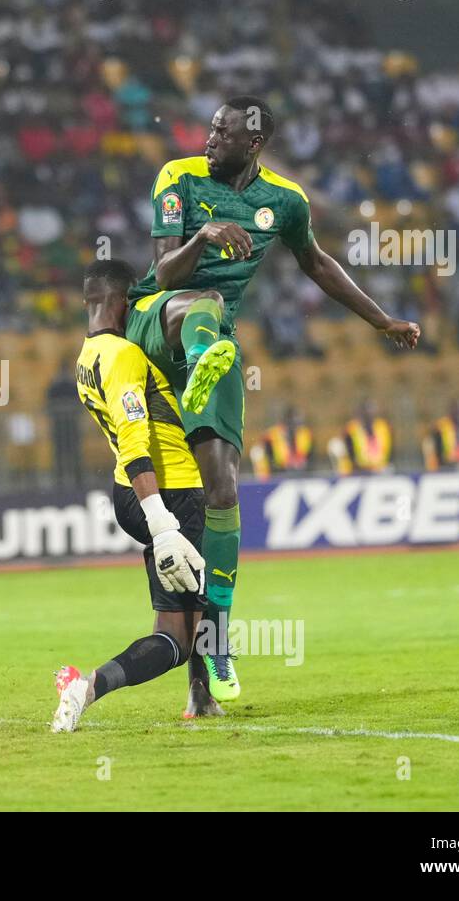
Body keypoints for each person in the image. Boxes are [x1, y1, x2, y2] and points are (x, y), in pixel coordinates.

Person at [124, 96, 421, 703]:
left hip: (216, 344)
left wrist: (381, 320)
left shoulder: (284, 201)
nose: (207, 139)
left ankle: (216, 644)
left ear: (252, 143)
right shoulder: (177, 178)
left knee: (221, 495)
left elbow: (317, 262)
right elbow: (166, 272)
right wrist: (205, 234)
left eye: (220, 132)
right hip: (159, 321)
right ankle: (208, 354)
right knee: (202, 305)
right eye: (208, 128)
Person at [52, 260, 210, 733]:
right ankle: (95, 685)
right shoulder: (123, 355)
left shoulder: (85, 358)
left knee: (191, 619)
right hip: (169, 492)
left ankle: (198, 696)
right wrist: (162, 524)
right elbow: (134, 435)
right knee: (185, 630)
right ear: (123, 302)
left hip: (129, 491)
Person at [249, 405, 313, 480]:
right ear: (285, 420)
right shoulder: (273, 433)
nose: (294, 424)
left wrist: (299, 462)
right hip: (278, 469)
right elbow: (263, 448)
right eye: (292, 420)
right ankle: (263, 483)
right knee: (257, 452)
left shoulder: (305, 433)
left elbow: (310, 454)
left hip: (302, 469)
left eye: (297, 421)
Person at [332, 399, 393, 475]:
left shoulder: (383, 426)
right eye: (366, 412)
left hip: (380, 469)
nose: (369, 415)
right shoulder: (351, 428)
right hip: (357, 471)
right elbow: (348, 450)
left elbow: (389, 448)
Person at [422, 400, 459, 472]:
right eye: (455, 412)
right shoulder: (442, 427)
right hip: (447, 463)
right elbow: (434, 447)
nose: (458, 415)